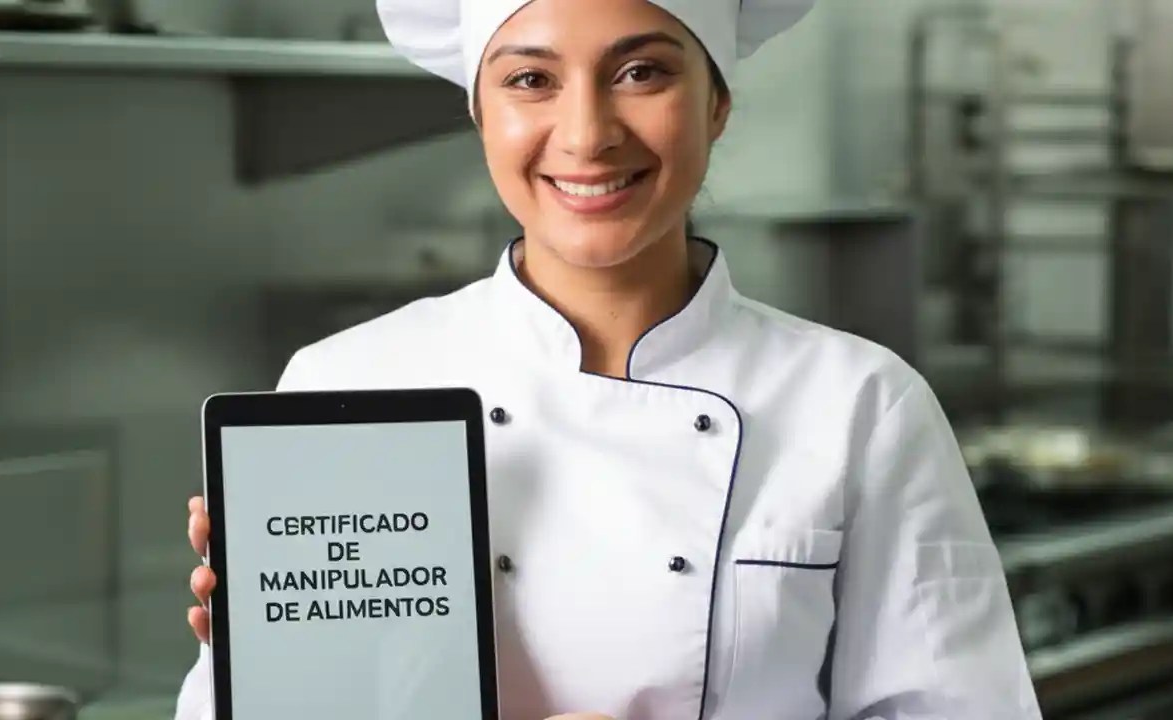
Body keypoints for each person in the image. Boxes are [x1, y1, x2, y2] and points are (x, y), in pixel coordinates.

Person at [175, 0, 1042, 718]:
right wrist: (264, 662)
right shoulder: (349, 382)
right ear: (481, 109)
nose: (586, 136)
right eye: (530, 80)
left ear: (718, 102)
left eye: (643, 72)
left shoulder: (859, 405)